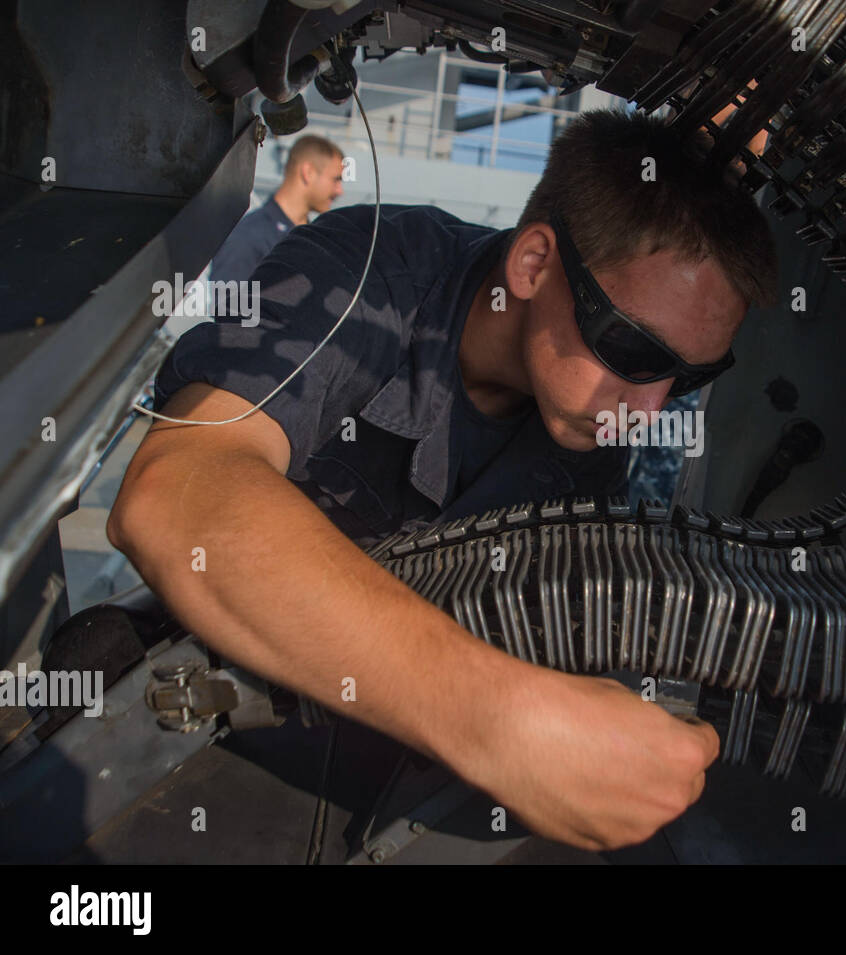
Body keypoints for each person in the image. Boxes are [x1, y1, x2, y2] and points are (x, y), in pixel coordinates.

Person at [108, 107, 779, 852]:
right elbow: (175, 491)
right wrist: (499, 719)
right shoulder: (368, 274)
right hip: (197, 714)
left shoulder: (589, 431)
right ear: (533, 264)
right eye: (633, 348)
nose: (648, 410)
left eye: (687, 377)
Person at [208, 134, 345, 284]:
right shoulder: (247, 237)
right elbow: (226, 305)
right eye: (336, 180)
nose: (340, 191)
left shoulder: (314, 238)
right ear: (308, 172)